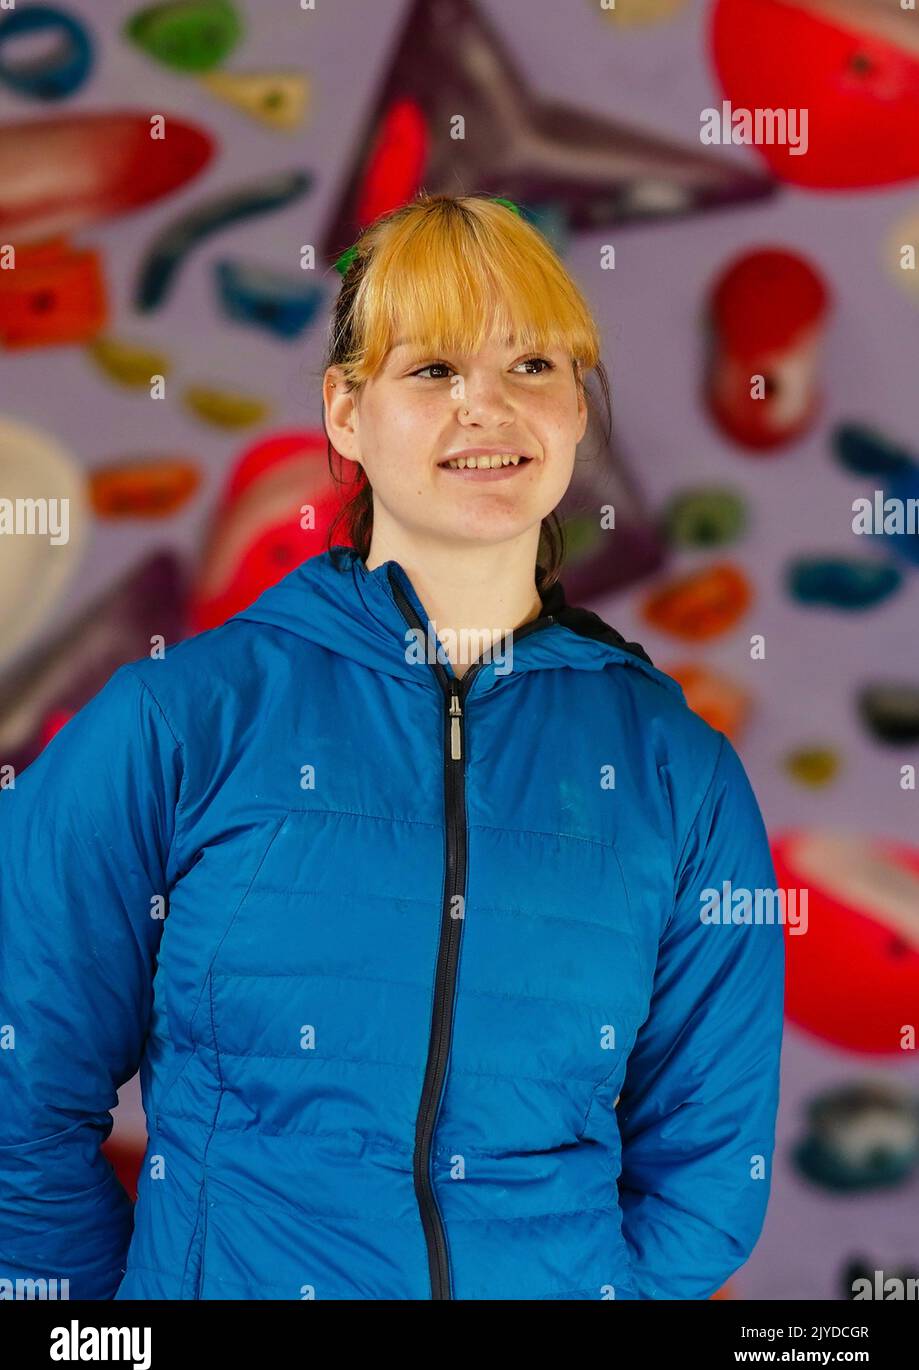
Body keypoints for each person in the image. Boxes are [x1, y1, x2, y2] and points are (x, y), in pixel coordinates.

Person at [0, 193, 784, 1301]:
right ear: (344, 413)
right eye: (432, 371)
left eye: (532, 369)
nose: (488, 409)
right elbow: (15, 1093)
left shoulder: (677, 775)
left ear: (574, 416)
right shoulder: (178, 722)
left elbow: (709, 1172)